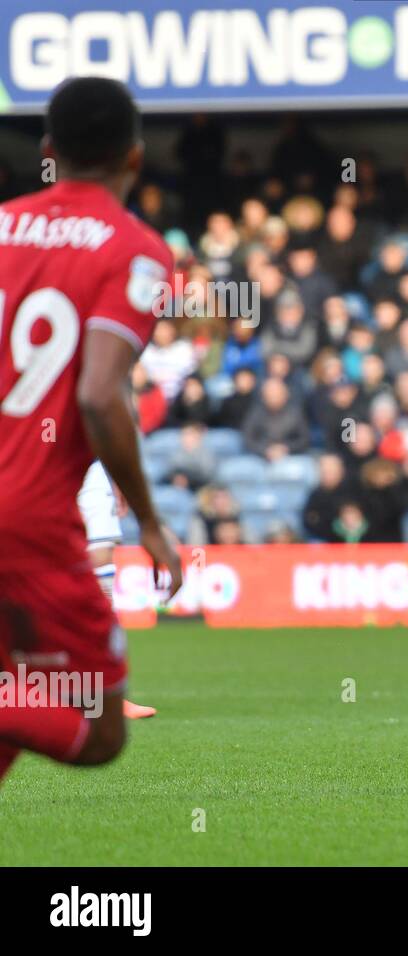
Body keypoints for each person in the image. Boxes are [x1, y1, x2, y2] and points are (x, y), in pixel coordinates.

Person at [0, 77, 183, 788]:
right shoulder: (136, 252)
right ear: (134, 159)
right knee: (100, 731)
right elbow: (101, 396)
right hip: (29, 521)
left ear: (48, 151)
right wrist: (152, 521)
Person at [78, 463, 158, 719]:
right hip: (19, 459)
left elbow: (110, 424)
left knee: (101, 564)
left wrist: (117, 471)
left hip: (85, 461)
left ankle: (105, 694)